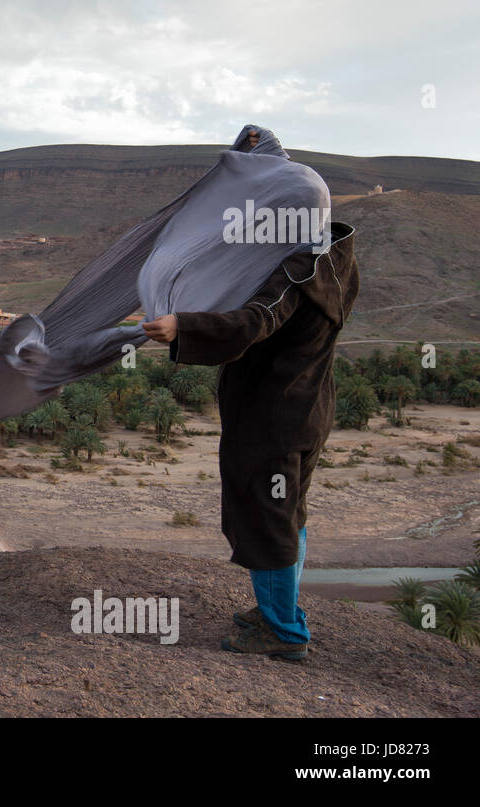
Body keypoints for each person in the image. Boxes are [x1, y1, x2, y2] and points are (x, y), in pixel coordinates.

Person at [142, 207, 359, 661]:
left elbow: (258, 320)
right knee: (290, 512)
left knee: (268, 521)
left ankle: (283, 631)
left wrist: (186, 326)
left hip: (273, 420)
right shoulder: (335, 254)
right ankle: (278, 610)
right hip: (308, 409)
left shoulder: (295, 272)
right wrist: (260, 141)